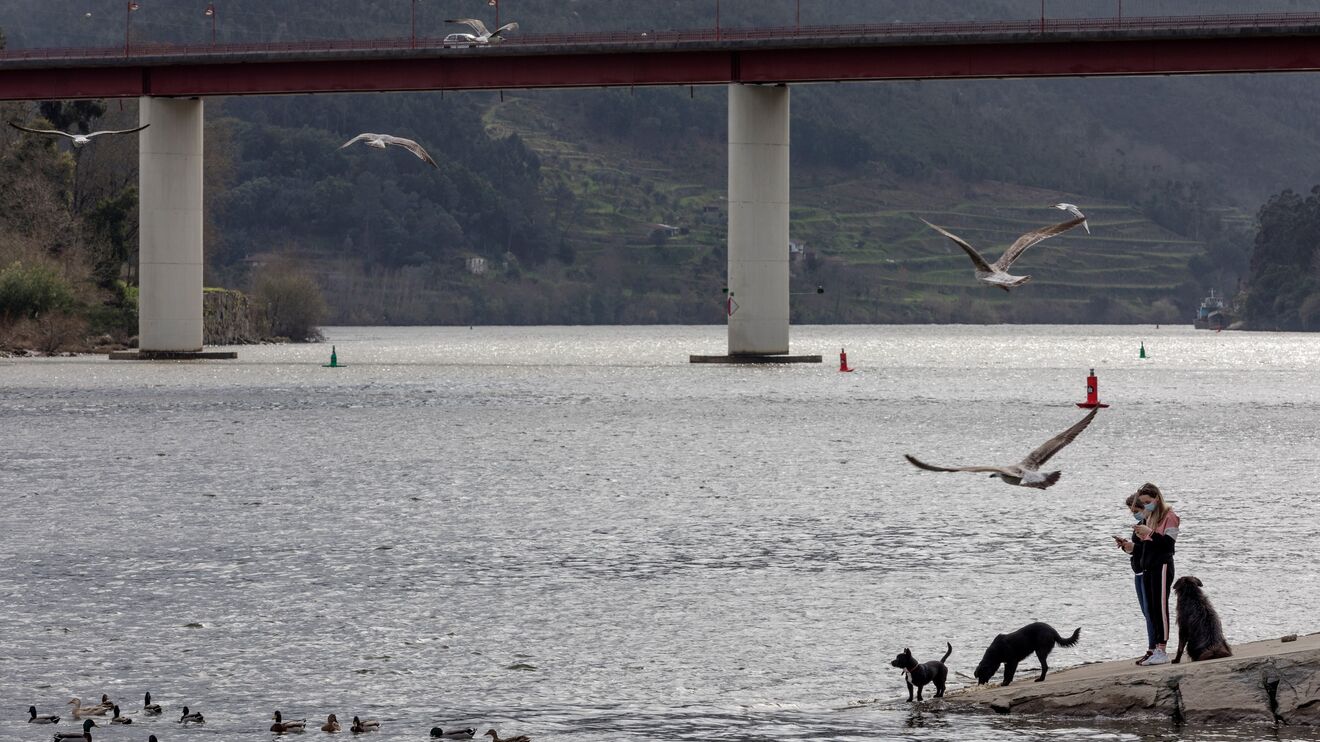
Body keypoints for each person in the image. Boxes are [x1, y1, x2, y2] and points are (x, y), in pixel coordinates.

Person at [1132, 482, 1180, 666]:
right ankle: (1155, 649)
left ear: (1157, 498)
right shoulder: (1149, 517)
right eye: (1143, 503)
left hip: (1162, 566)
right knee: (1151, 609)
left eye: (1147, 502)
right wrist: (1132, 545)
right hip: (1148, 567)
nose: (1145, 506)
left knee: (1160, 607)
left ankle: (1162, 649)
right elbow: (1146, 546)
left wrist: (1150, 533)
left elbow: (1168, 545)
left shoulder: (1170, 516)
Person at [1114, 494, 1157, 664]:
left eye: (1136, 511)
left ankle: (1153, 648)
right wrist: (1127, 546)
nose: (1134, 514)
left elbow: (1152, 549)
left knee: (1150, 613)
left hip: (1147, 573)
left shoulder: (1151, 525)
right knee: (1146, 613)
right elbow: (1138, 550)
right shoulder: (1140, 525)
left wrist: (1135, 547)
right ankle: (1152, 647)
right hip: (1138, 572)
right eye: (1132, 512)